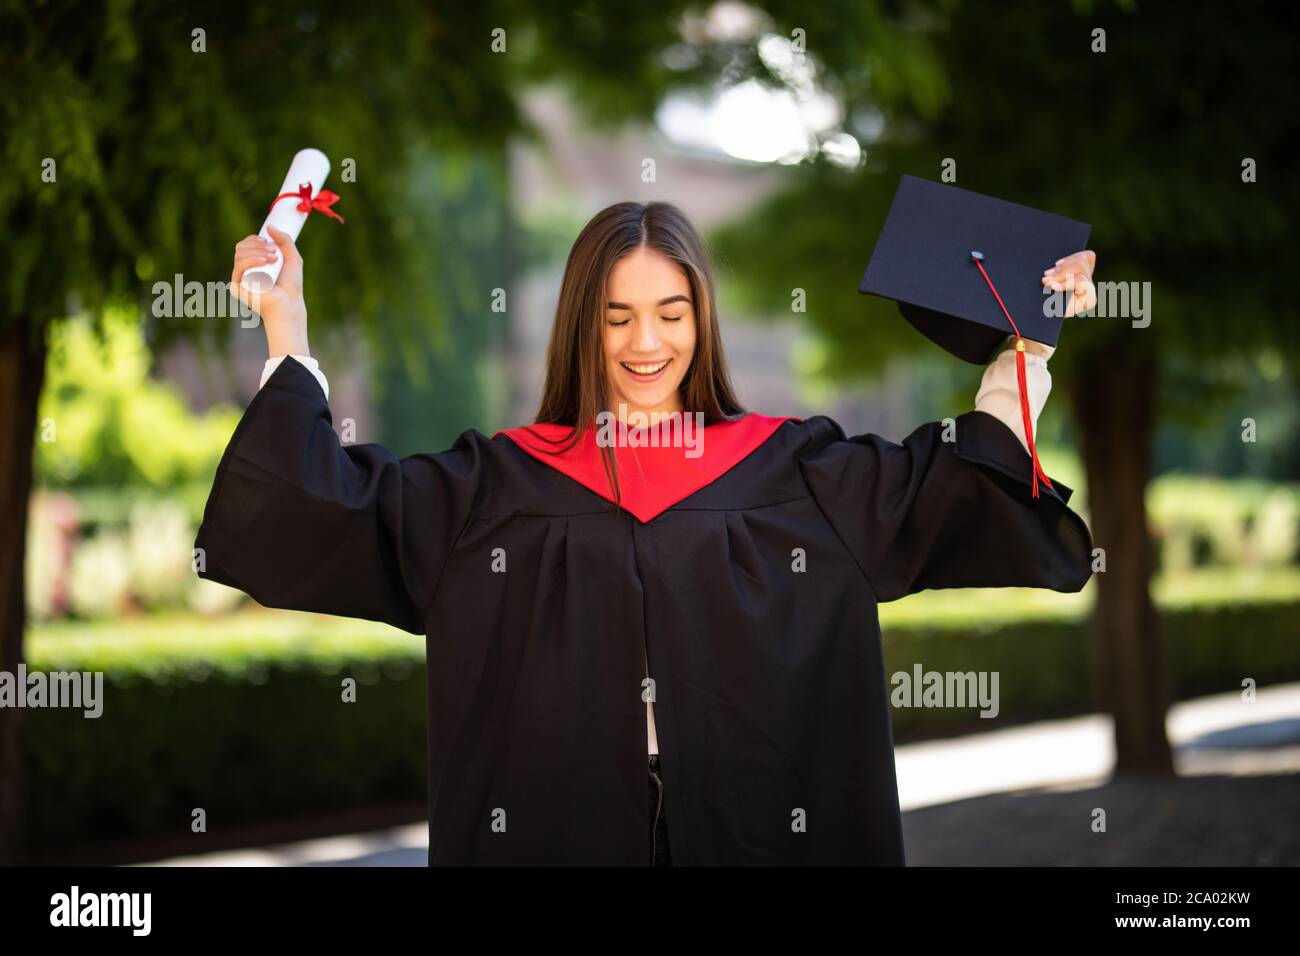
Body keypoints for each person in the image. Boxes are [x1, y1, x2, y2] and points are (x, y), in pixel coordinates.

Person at [196, 201, 1095, 866]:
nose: (645, 343)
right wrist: (289, 323)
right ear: (581, 326)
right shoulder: (500, 485)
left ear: (702, 318)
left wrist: (1028, 342)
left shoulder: (793, 474)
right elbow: (325, 507)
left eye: (671, 313)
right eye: (616, 316)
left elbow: (954, 487)